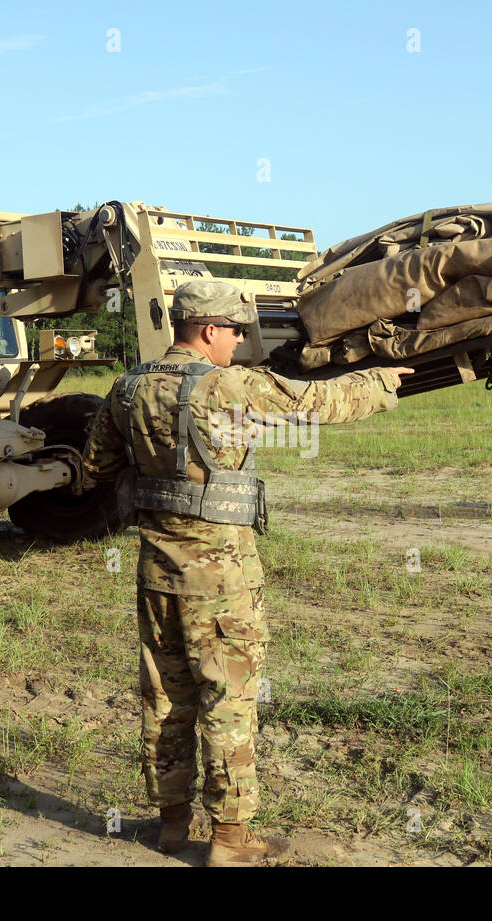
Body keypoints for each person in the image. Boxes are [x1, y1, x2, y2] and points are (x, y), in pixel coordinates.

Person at [81, 279, 413, 866]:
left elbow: (96, 468)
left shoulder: (127, 388)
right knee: (228, 697)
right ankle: (231, 840)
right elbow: (319, 404)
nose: (239, 342)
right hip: (222, 578)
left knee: (165, 695)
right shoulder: (229, 386)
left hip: (156, 572)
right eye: (235, 332)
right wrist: (380, 381)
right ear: (208, 330)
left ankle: (172, 826)